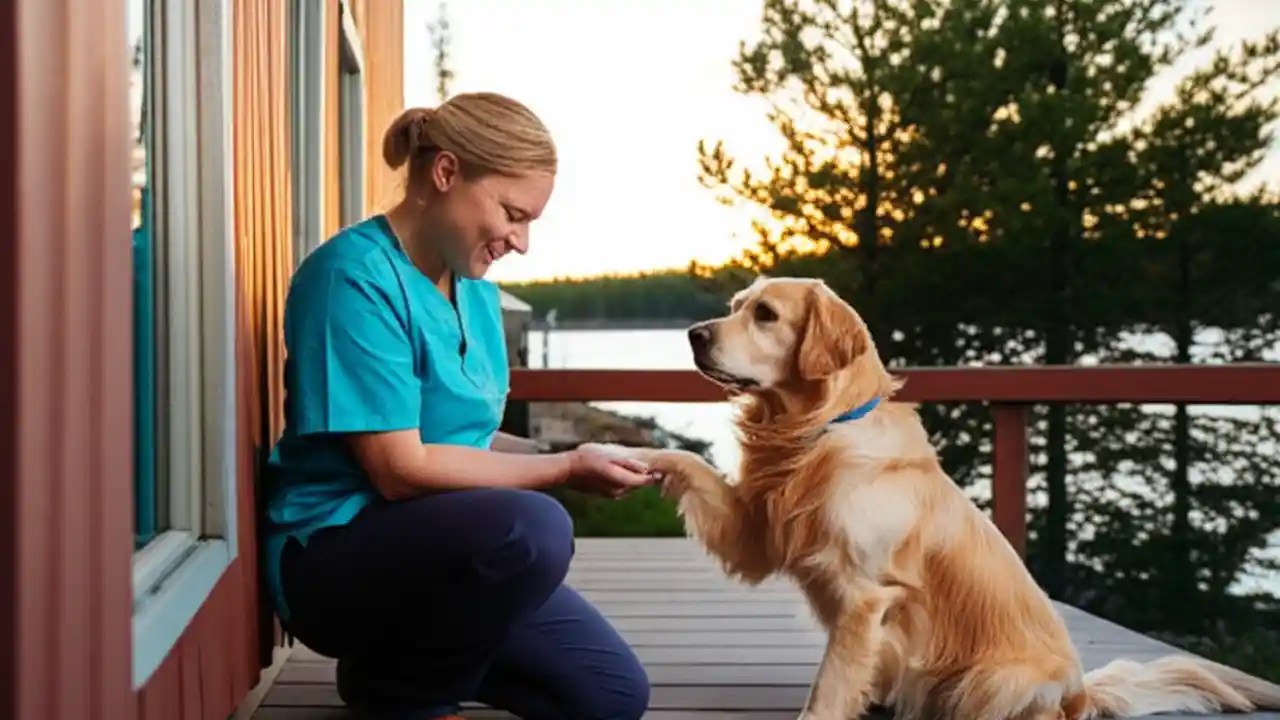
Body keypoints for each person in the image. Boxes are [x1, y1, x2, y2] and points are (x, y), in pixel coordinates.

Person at [262, 92, 655, 720]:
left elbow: (465, 439)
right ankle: (405, 699)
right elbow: (401, 467)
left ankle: (386, 670)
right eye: (511, 213)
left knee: (610, 696)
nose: (520, 241)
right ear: (446, 173)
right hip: (334, 558)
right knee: (537, 528)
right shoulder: (352, 278)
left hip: (439, 554)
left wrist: (568, 452)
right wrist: (563, 470)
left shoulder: (474, 293)